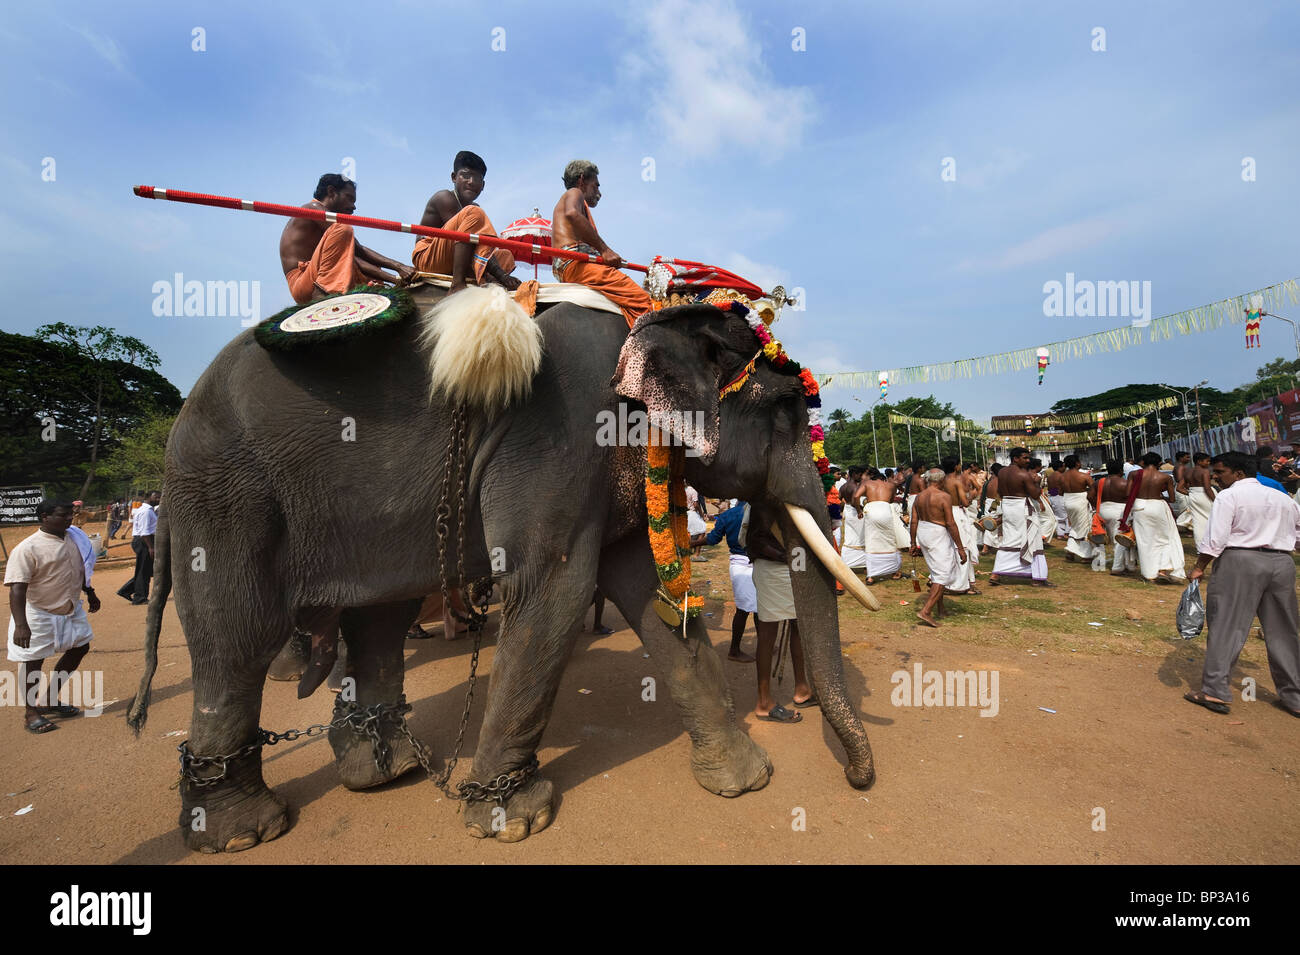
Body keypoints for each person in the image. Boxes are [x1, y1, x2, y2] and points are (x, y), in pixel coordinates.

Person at [1184, 451, 1300, 717]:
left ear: (1238, 473)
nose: (1215, 477)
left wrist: (1199, 566)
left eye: (1220, 472)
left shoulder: (1229, 496)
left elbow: (1216, 538)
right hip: (1281, 563)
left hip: (1240, 561)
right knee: (1284, 630)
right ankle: (1294, 697)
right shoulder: (1283, 498)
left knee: (1227, 625)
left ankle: (1214, 690)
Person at [5, 500, 101, 733]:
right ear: (45, 517)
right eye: (63, 515)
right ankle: (31, 713)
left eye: (71, 514)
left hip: (69, 608)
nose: (70, 519)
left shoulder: (74, 539)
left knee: (80, 647)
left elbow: (80, 570)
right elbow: (17, 588)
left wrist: (90, 593)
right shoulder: (28, 548)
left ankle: (48, 699)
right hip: (38, 612)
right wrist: (21, 625)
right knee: (32, 662)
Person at [280, 174, 411, 304]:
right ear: (331, 192)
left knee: (363, 259)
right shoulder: (312, 208)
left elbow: (356, 257)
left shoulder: (331, 232)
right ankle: (326, 292)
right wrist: (399, 267)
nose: (353, 207)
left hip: (313, 277)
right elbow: (358, 250)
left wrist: (396, 278)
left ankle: (372, 290)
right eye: (349, 198)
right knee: (343, 229)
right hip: (303, 283)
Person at [549, 160, 651, 328]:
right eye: (596, 186)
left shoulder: (572, 200)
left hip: (570, 266)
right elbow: (572, 214)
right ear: (582, 180)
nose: (599, 193)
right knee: (641, 300)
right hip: (575, 264)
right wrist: (605, 251)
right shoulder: (575, 192)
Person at [411, 151, 521, 294]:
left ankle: (486, 280)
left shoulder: (473, 209)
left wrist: (501, 273)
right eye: (466, 175)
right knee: (474, 213)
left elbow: (478, 244)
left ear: (483, 185)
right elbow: (467, 238)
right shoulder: (445, 198)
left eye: (477, 178)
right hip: (428, 258)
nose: (471, 181)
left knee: (505, 255)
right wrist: (501, 274)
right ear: (454, 177)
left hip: (454, 258)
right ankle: (457, 284)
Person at [745, 502, 814, 720]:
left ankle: (802, 689)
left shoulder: (793, 499)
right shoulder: (763, 502)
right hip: (774, 572)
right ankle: (764, 702)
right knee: (767, 634)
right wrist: (788, 557)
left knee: (798, 628)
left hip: (795, 569)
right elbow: (755, 542)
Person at [909, 469, 969, 626]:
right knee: (943, 573)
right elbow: (950, 523)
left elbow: (913, 521)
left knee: (937, 571)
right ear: (941, 481)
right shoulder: (944, 497)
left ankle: (940, 608)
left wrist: (913, 542)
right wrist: (961, 548)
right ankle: (926, 611)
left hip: (924, 532)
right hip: (937, 533)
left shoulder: (919, 497)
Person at [1119, 452, 1187, 584]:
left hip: (1139, 507)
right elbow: (1172, 499)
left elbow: (1128, 493)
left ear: (1143, 462)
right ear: (1159, 463)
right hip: (1158, 507)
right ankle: (1163, 569)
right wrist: (1161, 496)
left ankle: (1149, 574)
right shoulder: (1165, 477)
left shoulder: (1134, 475)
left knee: (1145, 541)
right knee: (1165, 539)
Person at [989, 448, 1051, 586]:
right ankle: (1037, 577)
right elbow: (1035, 494)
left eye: (1028, 458)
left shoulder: (1002, 472)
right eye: (1025, 458)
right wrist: (1037, 482)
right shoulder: (1024, 474)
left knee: (1009, 539)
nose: (1028, 460)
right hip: (1021, 507)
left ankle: (996, 573)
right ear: (1015, 458)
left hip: (1008, 506)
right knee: (1032, 538)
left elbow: (1000, 491)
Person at [705, 501, 756, 662]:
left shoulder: (727, 515)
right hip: (757, 564)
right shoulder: (759, 512)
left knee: (753, 608)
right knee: (746, 609)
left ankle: (764, 644)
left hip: (740, 565)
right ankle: (734, 651)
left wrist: (692, 544)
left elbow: (713, 539)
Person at [857, 470, 904, 583]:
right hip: (885, 510)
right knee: (889, 540)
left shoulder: (867, 483)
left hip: (871, 510)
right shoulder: (890, 485)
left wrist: (859, 510)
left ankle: (871, 576)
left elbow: (856, 495)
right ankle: (894, 571)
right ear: (883, 479)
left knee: (871, 540)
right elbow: (891, 500)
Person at [941, 458, 979, 594]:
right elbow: (965, 502)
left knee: (949, 548)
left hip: (943, 513)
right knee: (962, 548)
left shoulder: (941, 481)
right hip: (956, 513)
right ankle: (959, 585)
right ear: (956, 466)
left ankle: (962, 582)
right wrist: (972, 496)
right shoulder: (956, 481)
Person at [117, 490, 160, 605]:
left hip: (145, 541)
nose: (158, 499)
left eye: (159, 497)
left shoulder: (148, 510)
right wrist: (150, 547)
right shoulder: (146, 511)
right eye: (156, 497)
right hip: (144, 541)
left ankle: (126, 590)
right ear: (148, 497)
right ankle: (139, 597)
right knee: (143, 571)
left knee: (146, 570)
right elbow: (144, 532)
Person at [1094, 459, 1136, 575]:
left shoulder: (1099, 482)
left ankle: (1127, 565)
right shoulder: (1125, 482)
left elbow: (1090, 496)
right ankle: (1118, 567)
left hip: (1103, 510)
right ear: (1120, 470)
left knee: (1113, 539)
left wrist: (1097, 507)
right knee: (1121, 540)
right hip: (1120, 512)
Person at [1061, 455, 1095, 562]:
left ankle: (1070, 551)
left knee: (1075, 527)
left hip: (1067, 500)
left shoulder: (1061, 477)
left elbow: (1059, 492)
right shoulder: (1084, 476)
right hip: (1080, 500)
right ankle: (1085, 555)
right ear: (1077, 463)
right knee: (1084, 527)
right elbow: (1094, 489)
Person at [1178, 451, 1215, 547]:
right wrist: (1216, 500)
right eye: (1207, 461)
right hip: (1204, 495)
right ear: (1199, 461)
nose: (1208, 463)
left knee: (1197, 522)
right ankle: (1212, 544)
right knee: (1211, 519)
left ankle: (1200, 547)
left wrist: (1191, 493)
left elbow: (1179, 488)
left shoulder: (1188, 472)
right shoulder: (1205, 471)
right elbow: (1207, 488)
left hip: (1193, 496)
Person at [1046, 462, 1069, 539]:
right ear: (1059, 467)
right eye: (1063, 467)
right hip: (1060, 496)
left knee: (1057, 517)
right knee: (1066, 516)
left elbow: (1050, 489)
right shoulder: (1061, 476)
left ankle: (1060, 533)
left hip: (1052, 497)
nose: (1065, 468)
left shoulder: (1050, 477)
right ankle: (1067, 532)